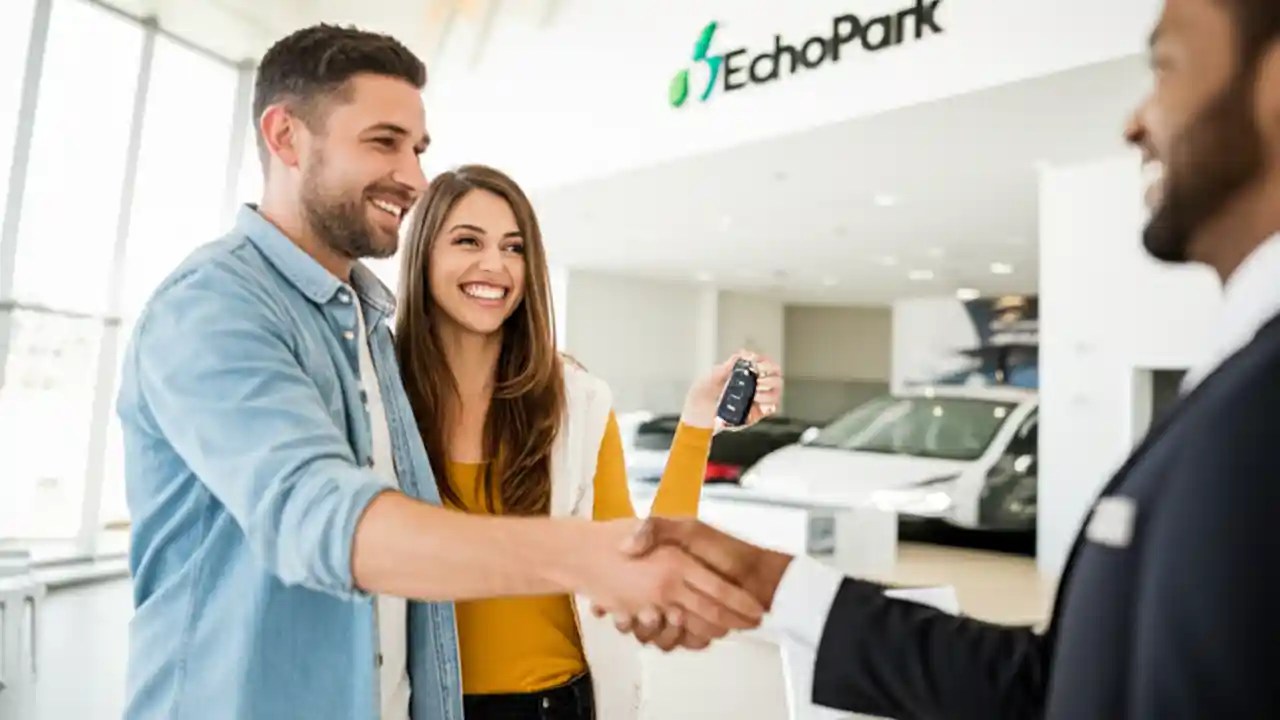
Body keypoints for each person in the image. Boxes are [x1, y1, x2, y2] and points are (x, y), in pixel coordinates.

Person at [606, 0, 1280, 717]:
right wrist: (774, 582)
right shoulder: (1237, 377)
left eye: (1165, 67)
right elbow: (1060, 684)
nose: (1133, 122)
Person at [115, 24, 764, 720]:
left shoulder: (358, 332)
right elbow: (322, 517)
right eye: (383, 141)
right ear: (286, 138)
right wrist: (586, 554)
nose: (414, 177)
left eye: (417, 149)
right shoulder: (215, 308)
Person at [392, 163, 783, 719]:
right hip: (421, 706)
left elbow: (639, 549)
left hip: (557, 704)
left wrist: (697, 423)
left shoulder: (575, 402)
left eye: (514, 247)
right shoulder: (380, 399)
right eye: (467, 241)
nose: (493, 265)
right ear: (423, 254)